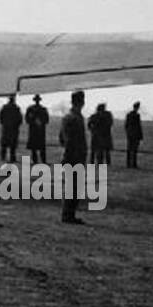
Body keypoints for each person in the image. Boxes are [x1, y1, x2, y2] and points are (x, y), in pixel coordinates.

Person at [60, 90, 88, 224]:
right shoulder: (76, 118)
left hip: (71, 155)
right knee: (74, 187)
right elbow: (73, 140)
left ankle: (68, 214)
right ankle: (68, 215)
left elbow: (62, 138)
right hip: (75, 156)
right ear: (81, 102)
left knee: (73, 186)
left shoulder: (68, 117)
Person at [25, 94, 49, 165]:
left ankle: (37, 160)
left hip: (35, 130)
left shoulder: (31, 109)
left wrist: (35, 121)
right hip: (39, 130)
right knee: (38, 147)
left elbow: (27, 119)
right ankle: (42, 160)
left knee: (35, 147)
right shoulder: (43, 109)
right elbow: (46, 120)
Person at [88, 102, 114, 166]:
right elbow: (110, 123)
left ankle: (93, 162)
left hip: (96, 135)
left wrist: (92, 130)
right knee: (104, 150)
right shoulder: (107, 115)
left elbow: (89, 124)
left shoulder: (94, 116)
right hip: (104, 135)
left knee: (95, 151)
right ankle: (106, 163)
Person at [0, 94, 23, 163]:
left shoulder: (5, 108)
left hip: (6, 128)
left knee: (4, 144)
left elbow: (1, 118)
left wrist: (4, 124)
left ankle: (3, 157)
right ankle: (12, 157)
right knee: (12, 145)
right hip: (13, 129)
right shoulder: (16, 108)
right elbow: (20, 119)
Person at [125, 101, 143, 168]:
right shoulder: (137, 115)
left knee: (129, 149)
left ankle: (128, 164)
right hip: (135, 135)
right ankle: (134, 164)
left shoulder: (128, 114)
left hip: (130, 134)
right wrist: (141, 136)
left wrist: (128, 133)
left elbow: (126, 125)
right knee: (134, 150)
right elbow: (138, 126)